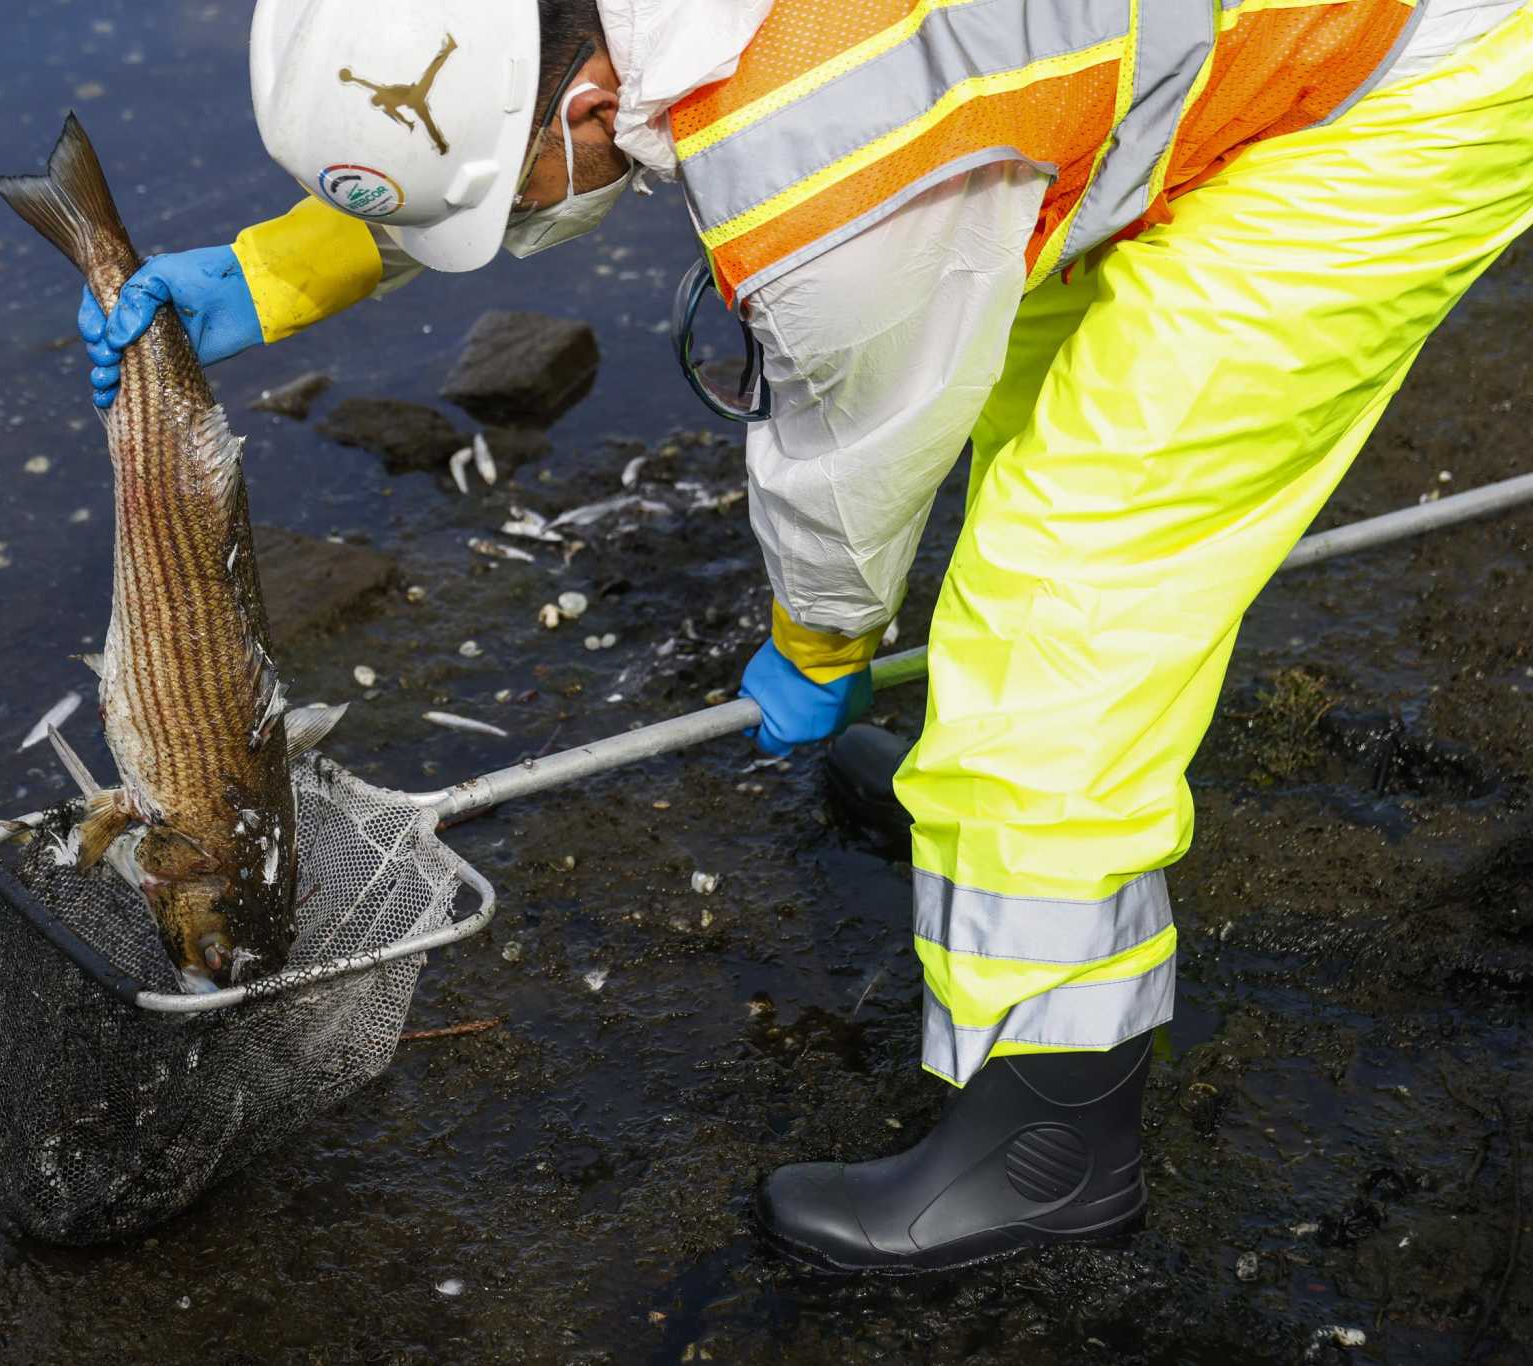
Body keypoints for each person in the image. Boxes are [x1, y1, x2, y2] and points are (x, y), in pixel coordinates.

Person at [78, 0, 1533, 1272]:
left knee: (1070, 583)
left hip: (1401, 71)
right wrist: (276, 271)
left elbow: (853, 469)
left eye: (512, 202)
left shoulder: (821, 156)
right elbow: (495, 108)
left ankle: (1054, 1137)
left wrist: (822, 647)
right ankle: (984, 819)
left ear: (594, 105)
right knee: (1027, 390)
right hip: (1155, 57)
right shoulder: (599, 35)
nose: (513, 229)